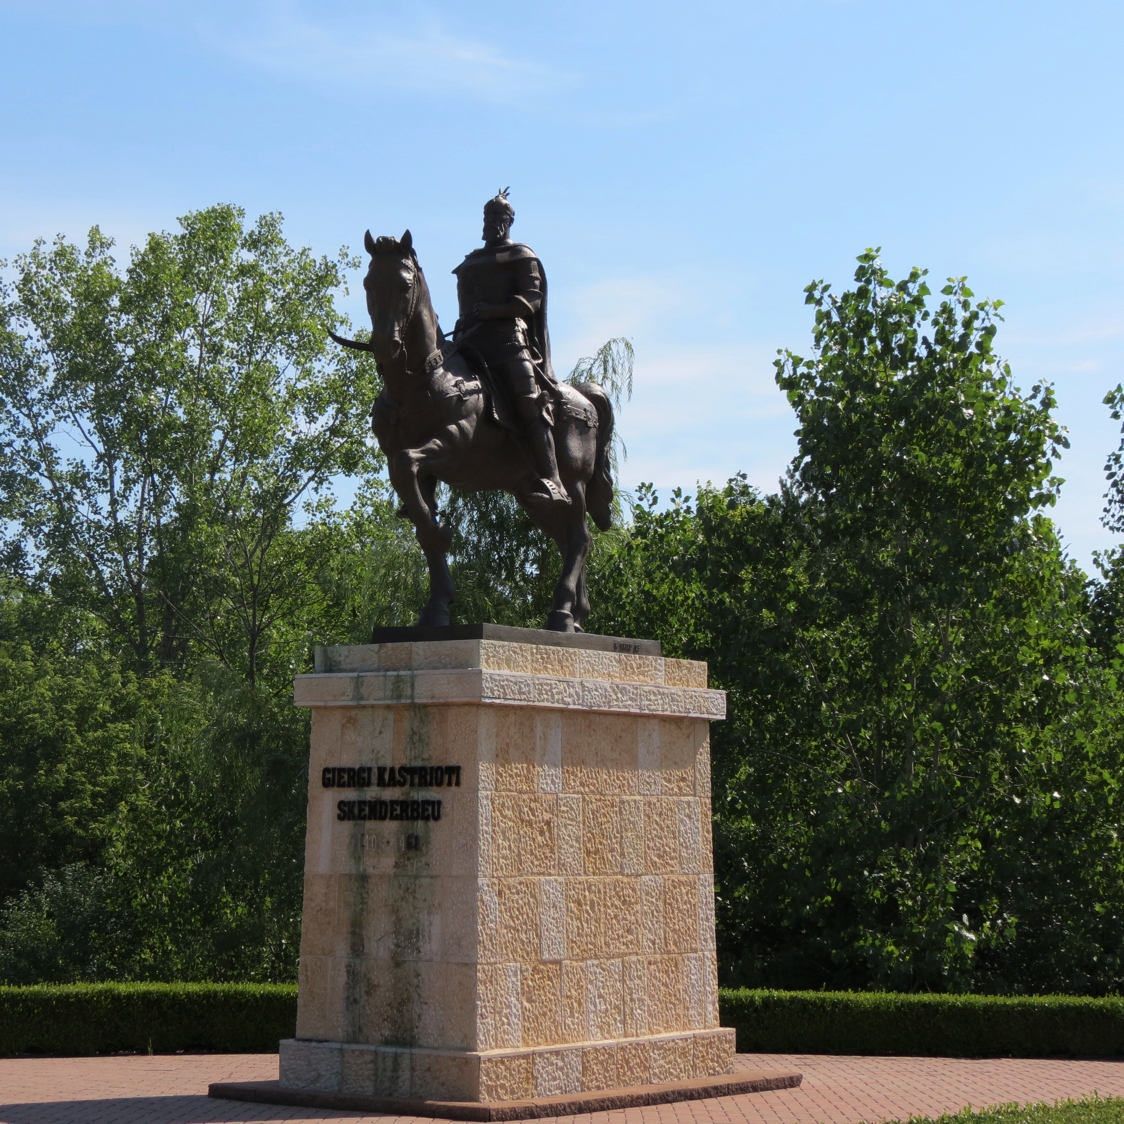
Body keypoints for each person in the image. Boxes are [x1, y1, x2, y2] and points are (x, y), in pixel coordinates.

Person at [452, 189, 569, 506]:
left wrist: (493, 311)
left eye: (499, 217)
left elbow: (532, 300)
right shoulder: (471, 262)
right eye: (489, 217)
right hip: (467, 342)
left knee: (529, 402)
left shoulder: (522, 256)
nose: (492, 222)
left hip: (508, 341)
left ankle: (553, 480)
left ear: (509, 220)